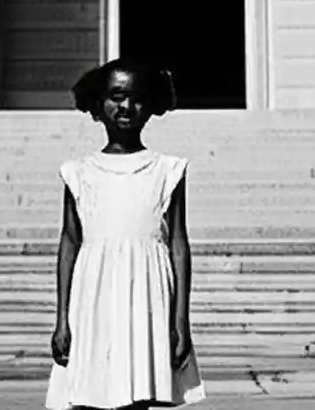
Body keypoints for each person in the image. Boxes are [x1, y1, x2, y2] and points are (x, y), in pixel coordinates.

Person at [46, 58, 205, 410]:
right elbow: (70, 241)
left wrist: (181, 322)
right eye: (116, 96)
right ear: (97, 104)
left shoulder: (168, 170)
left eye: (137, 98)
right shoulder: (78, 172)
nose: (126, 106)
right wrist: (61, 319)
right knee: (91, 390)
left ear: (150, 106)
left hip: (147, 295)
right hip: (94, 294)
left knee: (138, 391)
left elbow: (178, 242)